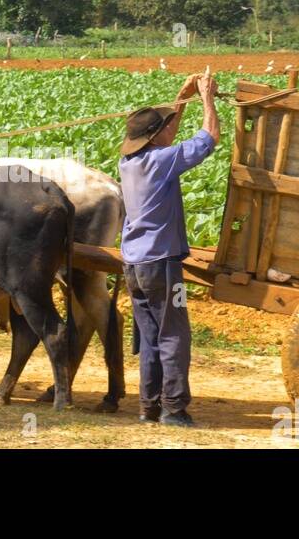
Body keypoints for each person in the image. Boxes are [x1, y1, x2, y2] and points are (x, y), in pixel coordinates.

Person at [118, 71, 221, 427]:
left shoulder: (130, 163)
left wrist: (183, 94)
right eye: (164, 128)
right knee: (174, 333)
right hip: (162, 267)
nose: (168, 132)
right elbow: (209, 138)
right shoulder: (161, 162)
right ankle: (174, 410)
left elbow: (167, 136)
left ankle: (149, 407)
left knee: (150, 336)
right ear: (154, 137)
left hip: (133, 266)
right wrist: (207, 98)